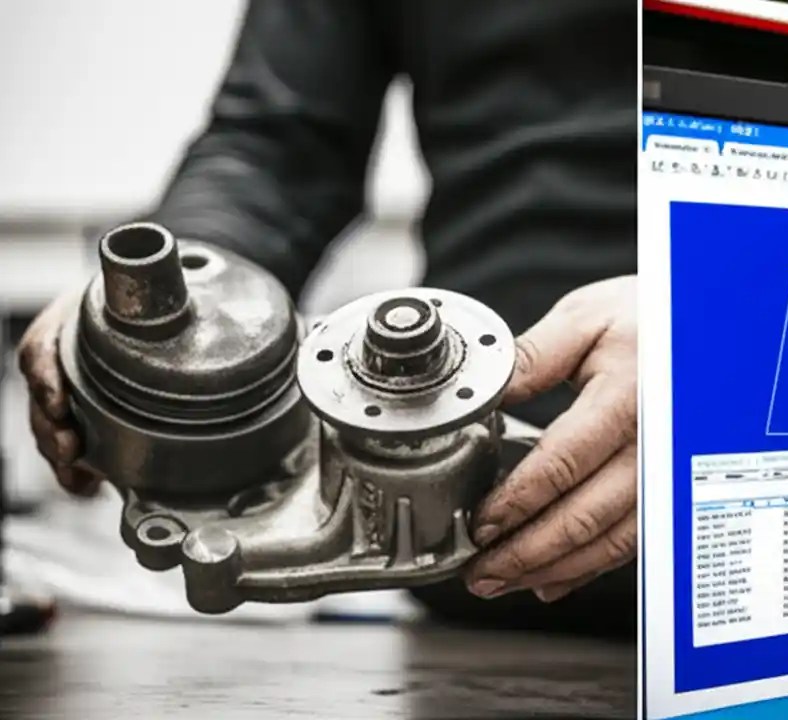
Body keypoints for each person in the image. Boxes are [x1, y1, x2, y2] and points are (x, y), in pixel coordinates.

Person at [17, 1, 636, 636]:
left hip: (728, 526)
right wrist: (167, 301)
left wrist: (719, 322)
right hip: (471, 576)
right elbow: (277, 145)